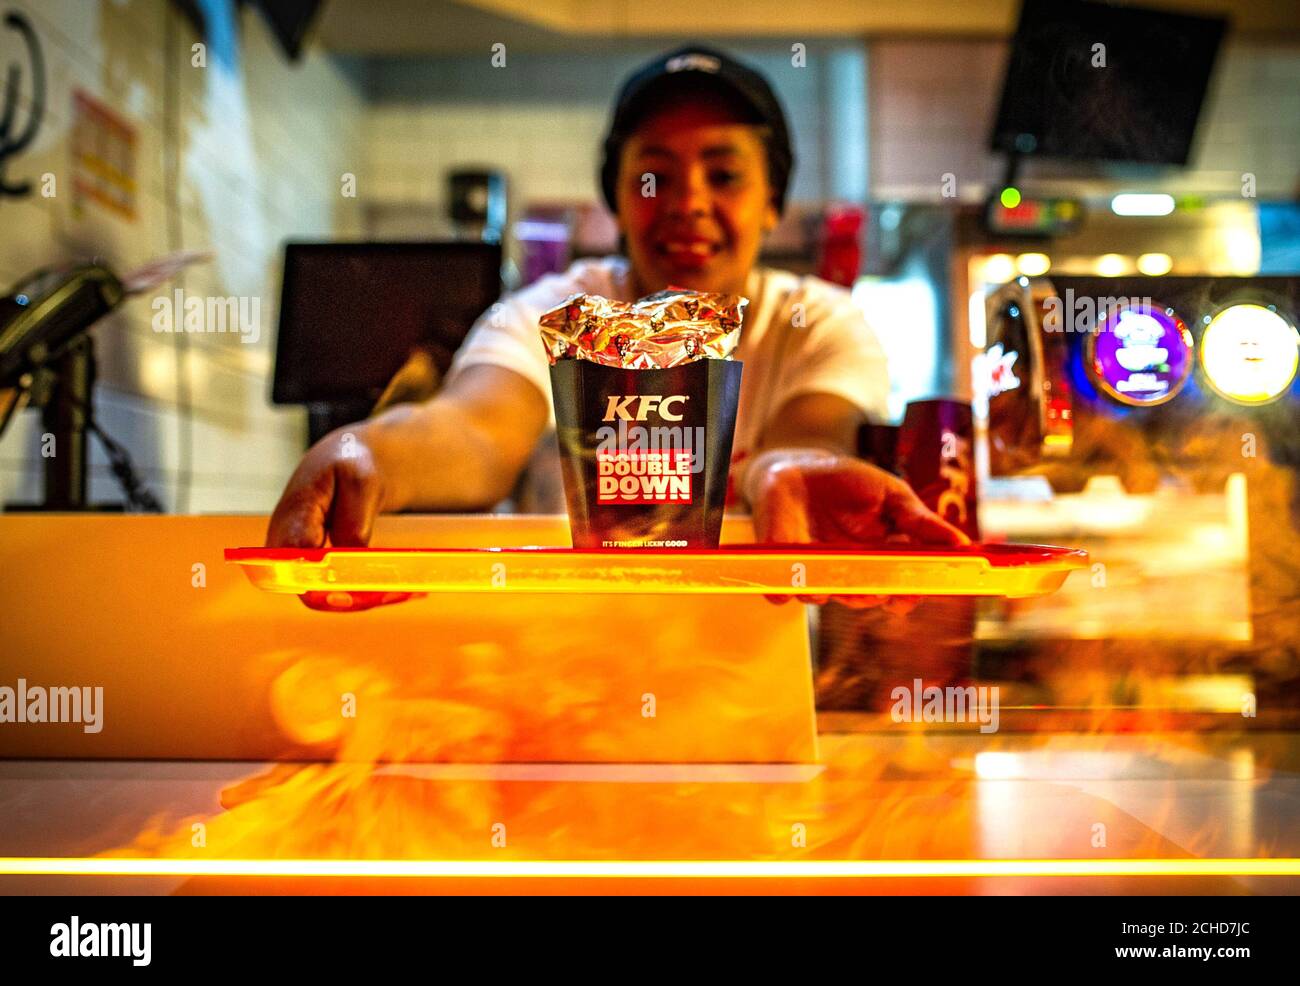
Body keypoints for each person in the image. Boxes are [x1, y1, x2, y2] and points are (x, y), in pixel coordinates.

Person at [268, 46, 967, 610]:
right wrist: (369, 452)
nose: (688, 204)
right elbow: (474, 429)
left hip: (757, 680)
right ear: (619, 199)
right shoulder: (553, 312)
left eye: (723, 175)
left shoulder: (817, 322)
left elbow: (809, 434)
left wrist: (786, 468)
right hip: (556, 673)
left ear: (770, 203)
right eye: (655, 177)